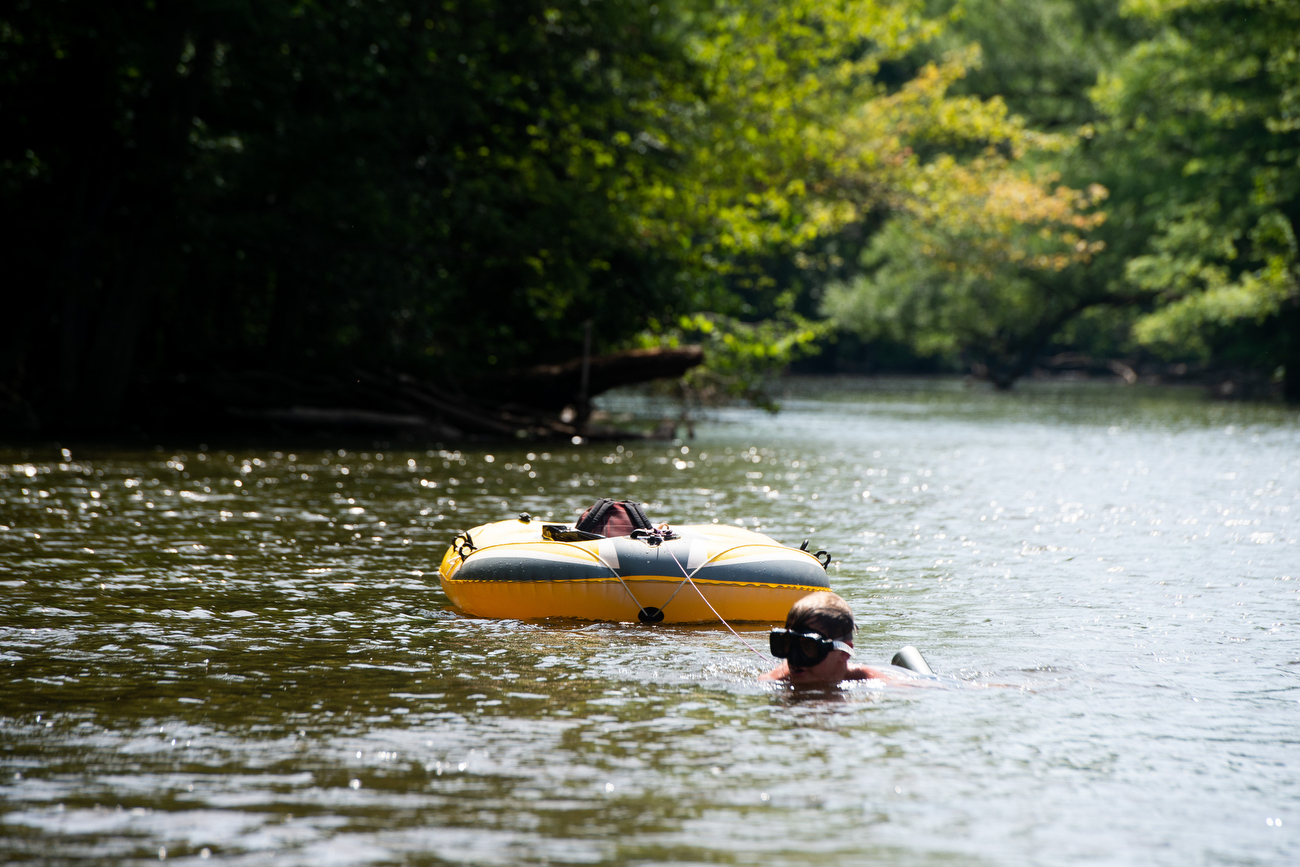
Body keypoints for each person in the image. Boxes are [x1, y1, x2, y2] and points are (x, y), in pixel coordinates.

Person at [759, 591, 896, 684]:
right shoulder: (775, 681)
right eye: (788, 644)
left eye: (808, 646)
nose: (794, 659)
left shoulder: (869, 681)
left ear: (843, 652)